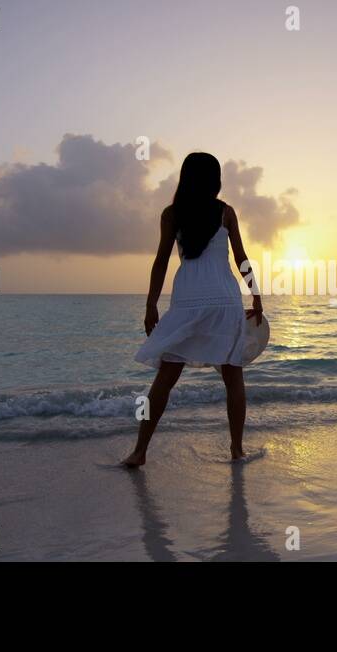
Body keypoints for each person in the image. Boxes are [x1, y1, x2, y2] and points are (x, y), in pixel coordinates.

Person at [124, 152, 263, 467]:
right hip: (225, 299)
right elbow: (241, 257)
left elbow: (160, 261)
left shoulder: (172, 214)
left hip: (188, 299)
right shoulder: (226, 212)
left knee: (166, 376)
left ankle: (140, 451)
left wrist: (150, 305)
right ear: (215, 181)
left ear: (185, 178)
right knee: (233, 375)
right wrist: (255, 293)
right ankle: (237, 450)